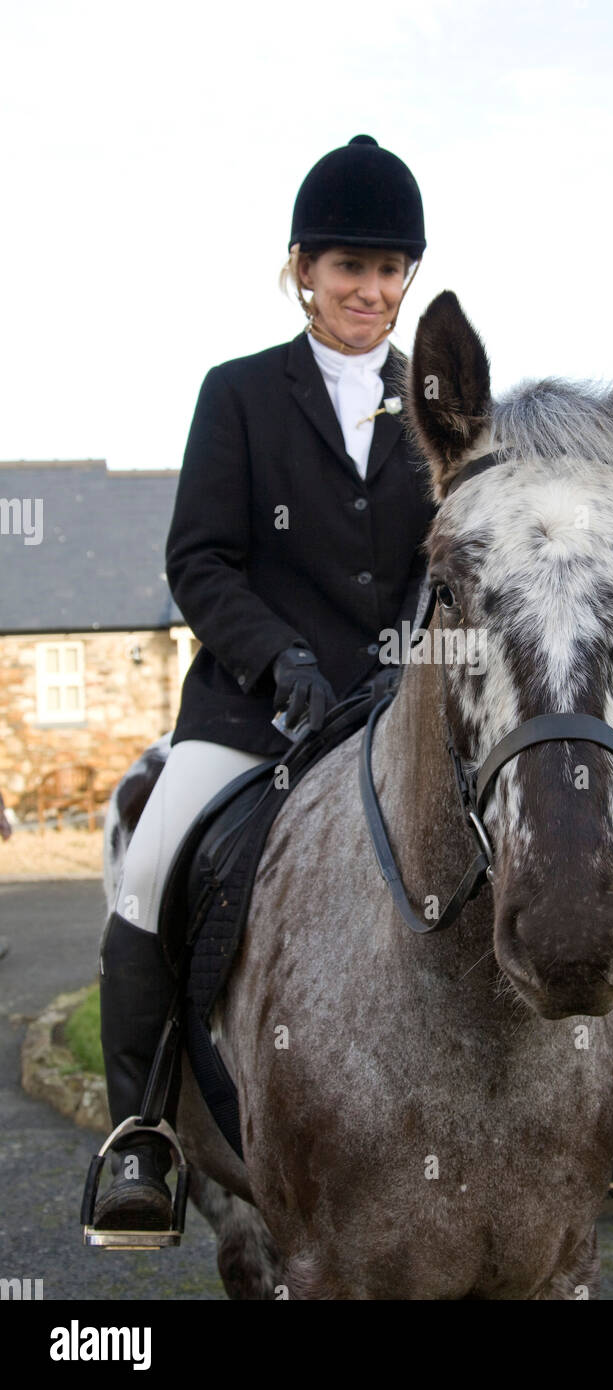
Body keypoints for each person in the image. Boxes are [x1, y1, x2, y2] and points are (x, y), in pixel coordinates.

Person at [91, 135, 436, 1235]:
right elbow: (200, 558)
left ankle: (594, 1109)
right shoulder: (237, 393)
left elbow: (452, 556)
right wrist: (276, 655)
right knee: (148, 871)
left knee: (545, 835)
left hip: (398, 711)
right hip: (255, 709)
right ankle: (139, 1139)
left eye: (389, 271)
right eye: (348, 268)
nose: (370, 293)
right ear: (301, 269)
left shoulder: (433, 399)